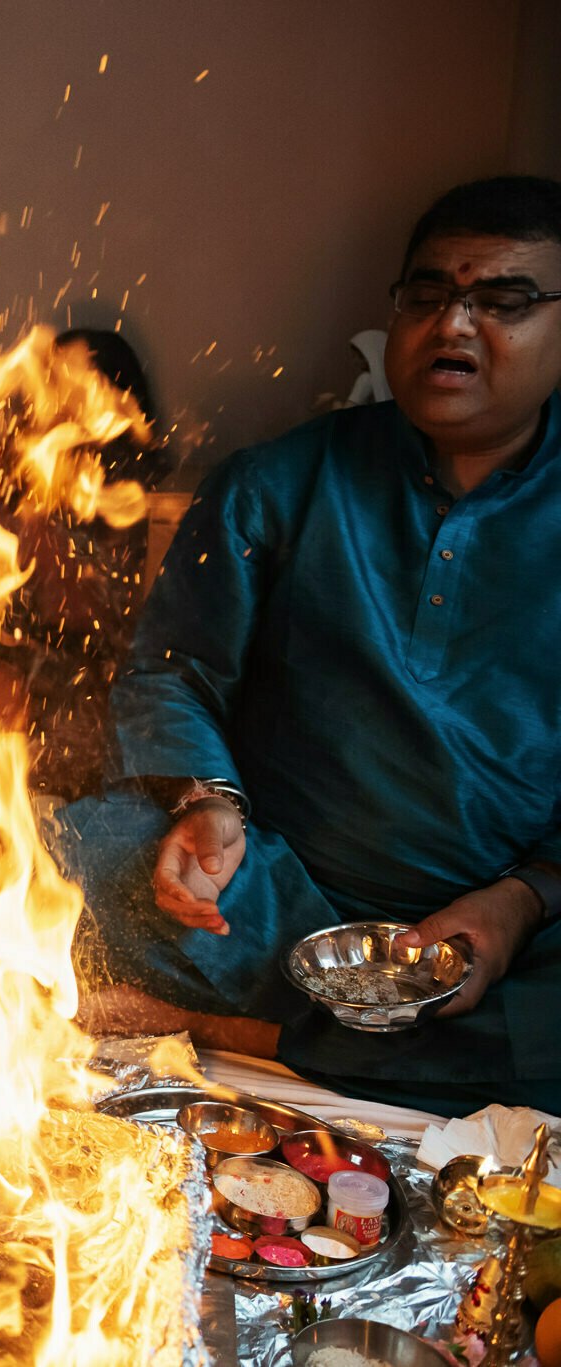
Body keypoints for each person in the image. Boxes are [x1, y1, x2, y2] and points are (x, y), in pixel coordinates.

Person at [58, 176, 561, 1114]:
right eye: (426, 296)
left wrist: (518, 902)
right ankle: (351, 1046)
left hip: (502, 927)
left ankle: (230, 1031)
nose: (452, 325)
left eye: (502, 301)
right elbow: (172, 671)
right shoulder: (280, 479)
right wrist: (210, 805)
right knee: (87, 847)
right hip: (274, 896)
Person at [0, 328, 172, 800]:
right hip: (11, 657)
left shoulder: (124, 489)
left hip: (88, 672)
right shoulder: (17, 467)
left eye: (69, 377)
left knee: (60, 761)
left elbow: (103, 613)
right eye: (50, 375)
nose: (54, 389)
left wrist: (42, 537)